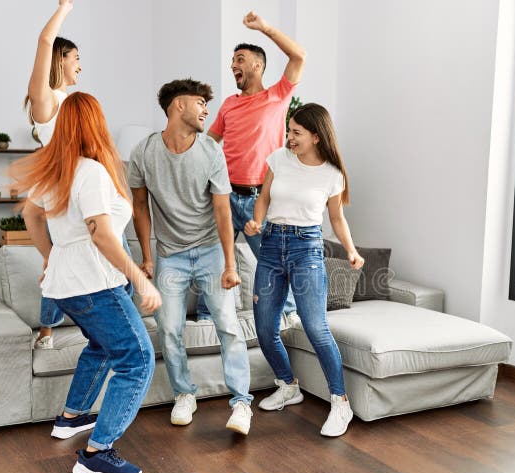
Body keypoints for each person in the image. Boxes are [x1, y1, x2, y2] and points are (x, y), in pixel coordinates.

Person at [13, 92, 161, 473]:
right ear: (95, 125)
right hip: (95, 281)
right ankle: (96, 453)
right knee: (138, 359)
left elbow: (31, 215)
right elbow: (102, 235)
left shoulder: (57, 169)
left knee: (101, 346)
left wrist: (52, 256)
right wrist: (141, 278)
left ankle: (71, 417)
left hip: (67, 284)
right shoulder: (90, 172)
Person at [129, 79, 254, 435]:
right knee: (169, 328)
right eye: (200, 103)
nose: (205, 110)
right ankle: (185, 394)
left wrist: (230, 265)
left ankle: (242, 401)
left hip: (211, 250)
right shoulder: (143, 152)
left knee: (228, 325)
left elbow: (222, 212)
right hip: (171, 255)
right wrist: (148, 256)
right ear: (177, 105)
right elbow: (139, 206)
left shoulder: (211, 152)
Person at [244, 103, 364, 438]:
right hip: (271, 247)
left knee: (316, 327)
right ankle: (288, 385)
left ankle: (340, 403)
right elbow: (264, 197)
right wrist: (257, 220)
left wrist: (352, 251)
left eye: (296, 132)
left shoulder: (332, 174)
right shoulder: (278, 159)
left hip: (306, 250)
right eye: (289, 130)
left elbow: (337, 219)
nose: (289, 137)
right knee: (265, 327)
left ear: (315, 135)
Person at [198, 10, 306, 320]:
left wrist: (265, 28)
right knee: (215, 260)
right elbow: (209, 144)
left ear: (257, 65)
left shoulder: (277, 96)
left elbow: (299, 55)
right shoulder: (230, 104)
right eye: (233, 61)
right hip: (224, 196)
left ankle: (289, 318)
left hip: (261, 198)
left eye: (240, 59)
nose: (234, 65)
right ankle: (207, 318)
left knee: (272, 262)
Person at [25, 0, 82, 350]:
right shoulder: (45, 101)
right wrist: (65, 7)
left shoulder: (72, 102)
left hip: (81, 186)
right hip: (61, 189)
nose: (80, 67)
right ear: (60, 59)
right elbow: (44, 42)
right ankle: (47, 330)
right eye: (76, 59)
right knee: (58, 258)